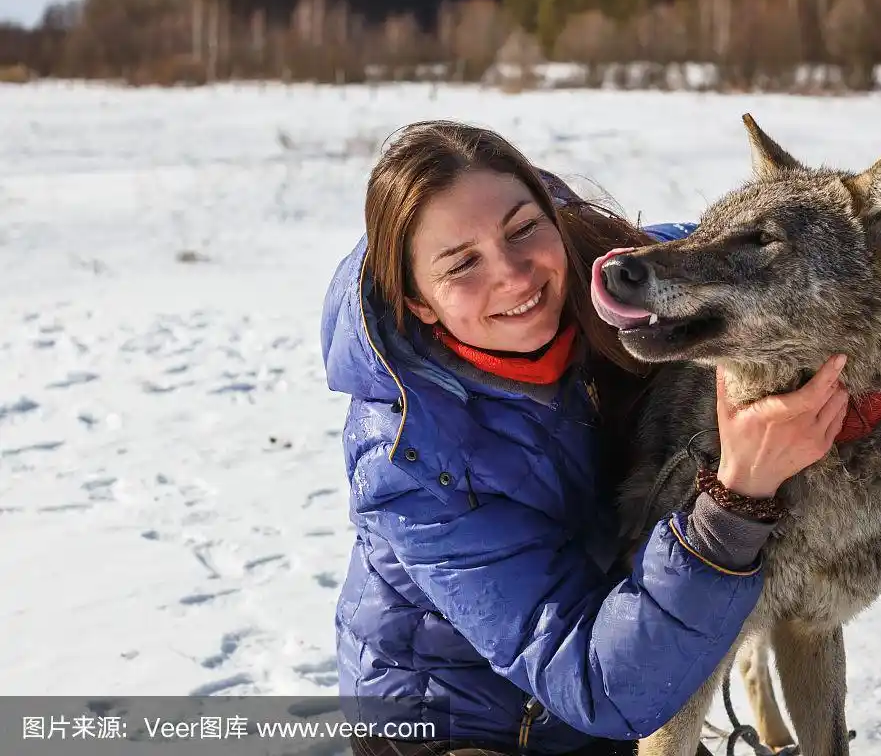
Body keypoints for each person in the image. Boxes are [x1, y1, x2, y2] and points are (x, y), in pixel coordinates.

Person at [319, 120, 850, 756]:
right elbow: (598, 684)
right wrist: (736, 499)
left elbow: (726, 259)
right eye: (462, 263)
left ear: (555, 221)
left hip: (612, 681)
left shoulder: (601, 284)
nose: (515, 276)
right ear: (420, 302)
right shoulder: (410, 460)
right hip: (468, 728)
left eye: (523, 230)